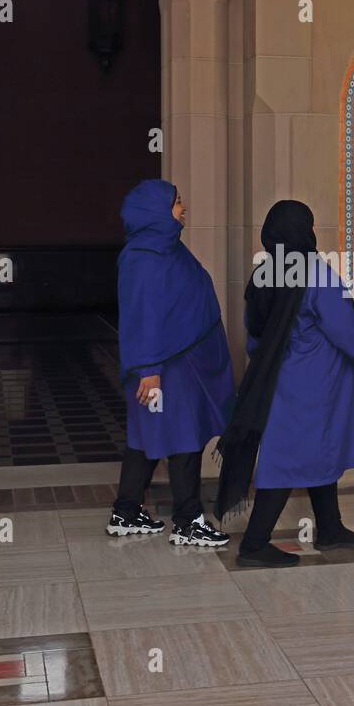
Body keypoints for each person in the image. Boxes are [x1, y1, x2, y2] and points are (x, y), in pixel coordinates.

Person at [214, 200, 354, 566]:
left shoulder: (263, 273)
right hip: (315, 386)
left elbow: (255, 338)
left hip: (278, 380)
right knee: (289, 459)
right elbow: (345, 328)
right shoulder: (317, 275)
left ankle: (330, 528)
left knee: (316, 451)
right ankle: (255, 544)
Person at [108, 179, 234, 545]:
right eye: (177, 202)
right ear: (155, 210)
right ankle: (188, 521)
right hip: (163, 368)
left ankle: (126, 511)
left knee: (147, 436)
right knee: (183, 438)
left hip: (178, 363)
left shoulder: (167, 248)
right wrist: (149, 371)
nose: (184, 207)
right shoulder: (143, 258)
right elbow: (142, 316)